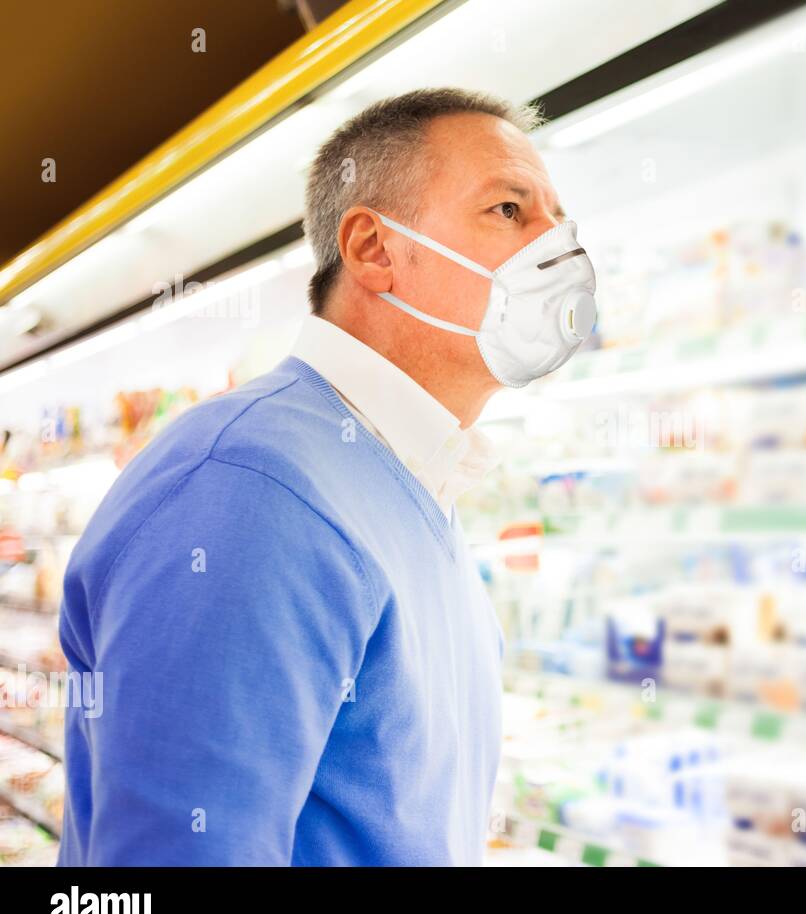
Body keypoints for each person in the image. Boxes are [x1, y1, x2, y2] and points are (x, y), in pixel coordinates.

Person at [57, 88, 596, 865]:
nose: (560, 246)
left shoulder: (412, 479)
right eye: (510, 210)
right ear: (374, 250)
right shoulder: (248, 490)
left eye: (559, 217)